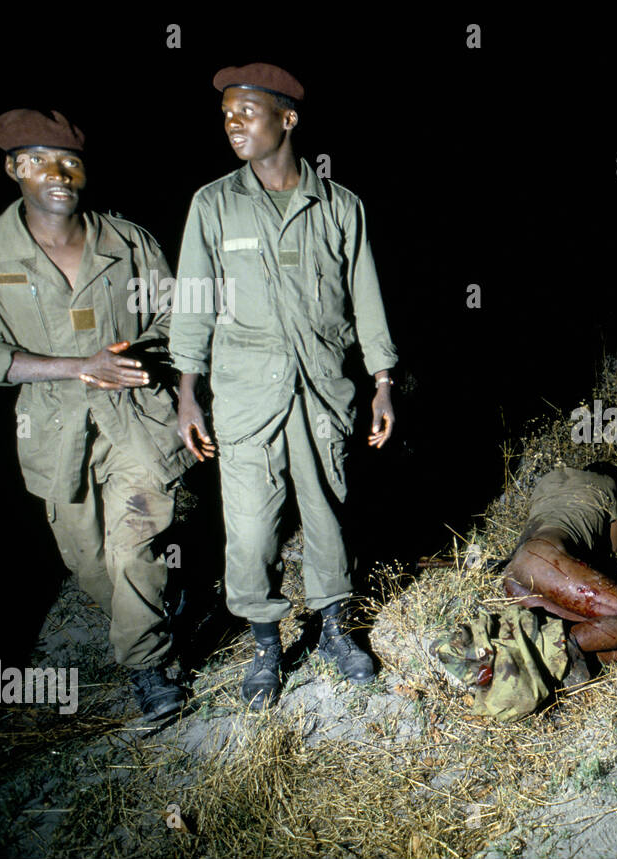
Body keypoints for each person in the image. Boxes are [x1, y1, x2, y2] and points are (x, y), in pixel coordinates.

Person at [169, 64, 398, 710]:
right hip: (245, 394)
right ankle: (266, 640)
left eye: (246, 111)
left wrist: (382, 381)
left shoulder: (340, 206)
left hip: (323, 390)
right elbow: (191, 303)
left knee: (328, 511)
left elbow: (366, 301)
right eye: (226, 115)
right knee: (250, 528)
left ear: (288, 119)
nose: (233, 123)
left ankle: (332, 626)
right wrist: (188, 391)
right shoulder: (213, 205)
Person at [0, 109, 192, 720]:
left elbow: (176, 317)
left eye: (70, 161)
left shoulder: (128, 241)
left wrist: (139, 354)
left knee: (133, 548)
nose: (59, 174)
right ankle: (152, 608)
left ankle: (150, 669)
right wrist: (74, 366)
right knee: (88, 563)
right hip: (53, 430)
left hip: (136, 420)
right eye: (40, 161)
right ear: (14, 167)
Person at [502, 466, 617, 668]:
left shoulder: (547, 481)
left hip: (515, 575)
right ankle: (554, 652)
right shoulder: (607, 483)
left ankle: (558, 660)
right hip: (547, 561)